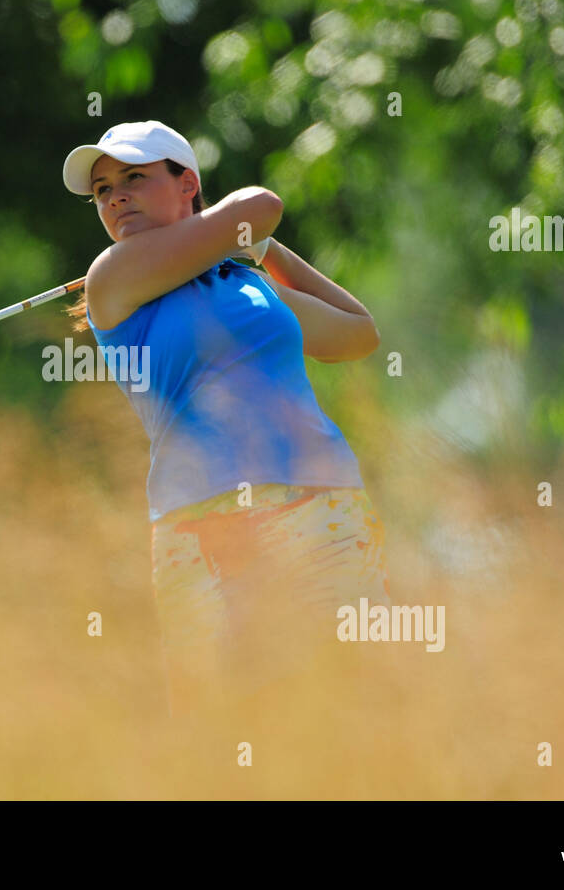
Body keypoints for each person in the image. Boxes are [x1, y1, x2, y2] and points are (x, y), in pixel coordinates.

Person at [61, 120, 392, 717]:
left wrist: (259, 251)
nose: (115, 198)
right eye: (102, 191)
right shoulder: (114, 278)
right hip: (203, 524)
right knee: (229, 728)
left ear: (186, 182)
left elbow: (359, 333)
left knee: (348, 706)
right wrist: (236, 232)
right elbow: (259, 205)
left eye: (133, 177)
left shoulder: (248, 285)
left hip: (321, 504)